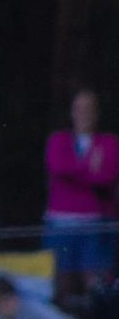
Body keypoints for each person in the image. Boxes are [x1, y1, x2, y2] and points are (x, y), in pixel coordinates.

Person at [43, 88, 118, 297]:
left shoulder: (109, 142)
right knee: (60, 280)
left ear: (96, 113)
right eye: (79, 108)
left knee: (97, 281)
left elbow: (107, 177)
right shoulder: (58, 140)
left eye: (89, 109)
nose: (83, 113)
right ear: (71, 112)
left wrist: (74, 172)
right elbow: (57, 168)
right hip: (60, 221)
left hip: (96, 221)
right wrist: (89, 168)